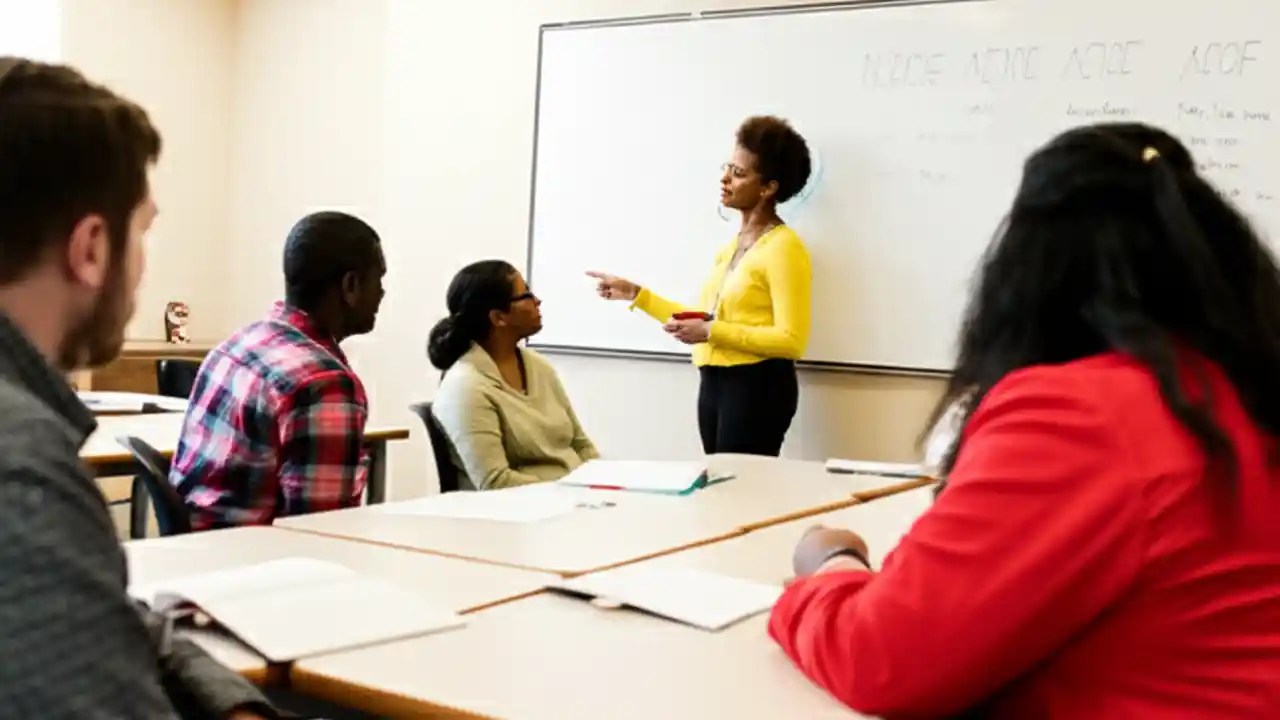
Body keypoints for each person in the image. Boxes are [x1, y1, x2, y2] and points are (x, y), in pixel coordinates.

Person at [769, 122, 1280, 718]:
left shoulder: (1084, 415)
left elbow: (880, 659)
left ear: (1029, 267)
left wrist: (830, 568)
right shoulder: (1244, 392)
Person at [0, 56, 275, 718]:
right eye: (143, 231)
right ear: (91, 247)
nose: (142, 264)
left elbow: (97, 606)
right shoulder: (21, 463)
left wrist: (234, 707)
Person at [588, 115, 813, 457]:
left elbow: (791, 341)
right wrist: (637, 295)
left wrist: (712, 331)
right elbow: (703, 320)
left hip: (758, 385)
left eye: (739, 173)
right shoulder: (731, 248)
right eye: (728, 167)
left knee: (740, 496)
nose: (725, 178)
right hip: (715, 383)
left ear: (768, 188)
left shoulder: (784, 248)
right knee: (719, 492)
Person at [170, 211, 385, 528]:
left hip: (195, 548)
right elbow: (321, 531)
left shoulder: (237, 344)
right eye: (378, 279)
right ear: (350, 286)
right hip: (251, 564)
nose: (382, 293)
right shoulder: (325, 384)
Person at [429, 260, 597, 490]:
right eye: (526, 294)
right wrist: (574, 493)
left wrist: (605, 485)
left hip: (576, 503)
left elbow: (581, 445)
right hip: (525, 514)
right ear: (498, 317)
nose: (537, 301)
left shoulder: (538, 366)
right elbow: (496, 482)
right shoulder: (466, 386)